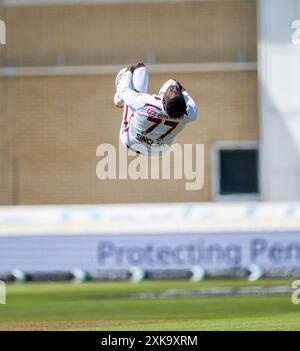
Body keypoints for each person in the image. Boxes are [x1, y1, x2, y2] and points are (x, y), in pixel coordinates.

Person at [114, 63, 198, 155]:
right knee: (172, 83)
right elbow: (184, 96)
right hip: (159, 150)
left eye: (172, 91)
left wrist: (129, 72)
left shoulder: (145, 103)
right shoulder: (190, 113)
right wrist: (178, 87)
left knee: (139, 70)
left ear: (164, 101)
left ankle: (118, 100)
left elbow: (124, 90)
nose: (174, 88)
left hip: (130, 141)